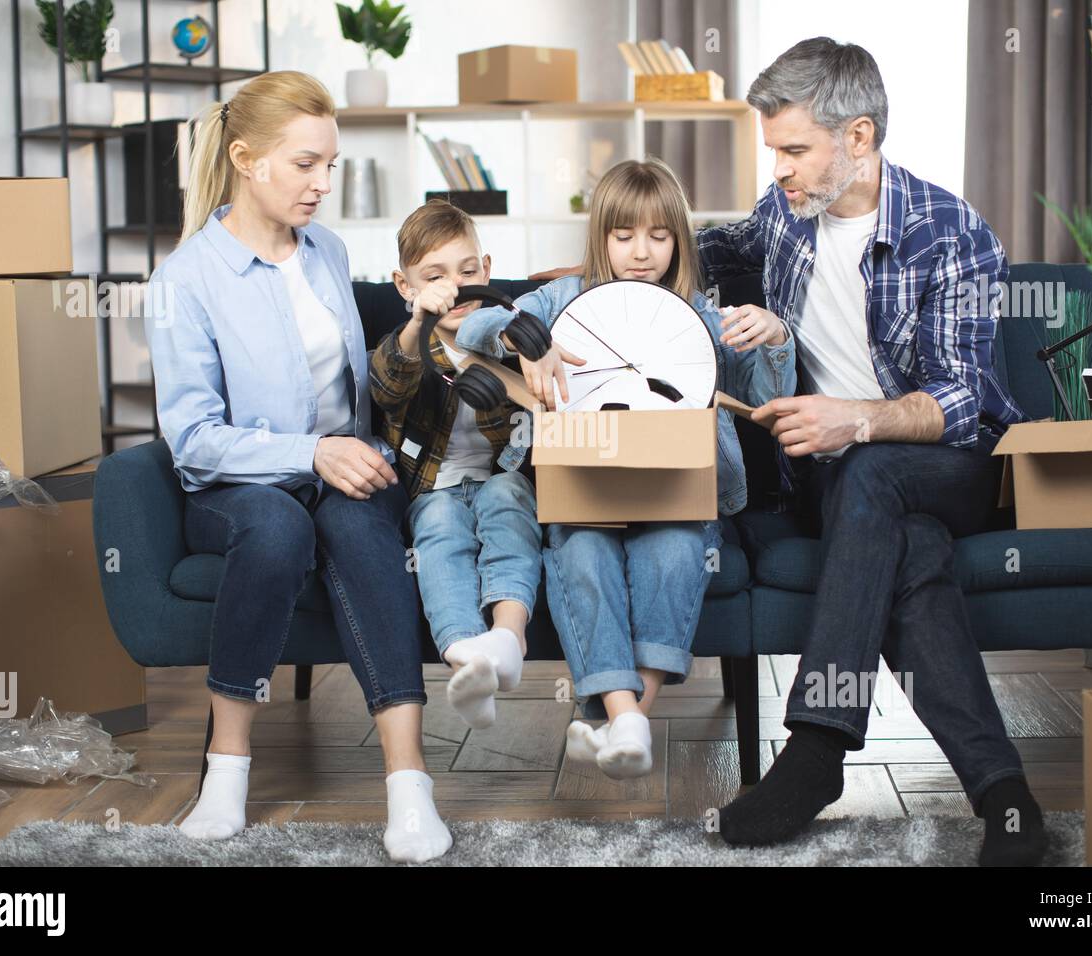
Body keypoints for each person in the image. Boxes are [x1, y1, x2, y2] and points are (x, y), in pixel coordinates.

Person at [696, 38, 1045, 866]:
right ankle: (1007, 800)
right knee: (911, 556)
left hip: (945, 465)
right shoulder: (785, 213)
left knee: (875, 467)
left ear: (858, 138)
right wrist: (587, 274)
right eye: (771, 149)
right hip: (837, 481)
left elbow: (961, 399)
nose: (777, 169)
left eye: (793, 149)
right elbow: (703, 247)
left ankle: (816, 750)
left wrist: (853, 420)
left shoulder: (950, 231)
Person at [144, 70, 450, 863]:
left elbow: (359, 388)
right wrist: (309, 452)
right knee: (278, 528)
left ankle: (409, 786)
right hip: (235, 485)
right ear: (247, 160)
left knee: (362, 526)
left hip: (340, 471)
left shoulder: (327, 252)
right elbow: (194, 438)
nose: (322, 185)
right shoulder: (185, 281)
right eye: (305, 164)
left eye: (331, 166)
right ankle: (226, 771)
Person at [456, 157, 797, 779]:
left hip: (681, 492)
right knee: (581, 555)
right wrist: (524, 337)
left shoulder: (699, 309)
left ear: (679, 241)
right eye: (624, 236)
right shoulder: (562, 296)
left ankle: (624, 720)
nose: (642, 252)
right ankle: (628, 717)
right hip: (584, 487)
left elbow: (768, 395)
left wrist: (774, 335)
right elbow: (473, 324)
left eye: (659, 236)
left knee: (671, 553)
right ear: (600, 238)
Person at [369, 199, 541, 729]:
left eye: (468, 272)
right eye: (435, 276)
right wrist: (420, 320)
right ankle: (466, 657)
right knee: (441, 532)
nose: (457, 287)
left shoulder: (507, 343)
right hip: (433, 489)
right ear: (405, 286)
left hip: (497, 478)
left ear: (486, 270)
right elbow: (388, 383)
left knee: (511, 504)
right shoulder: (405, 347)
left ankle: (508, 638)